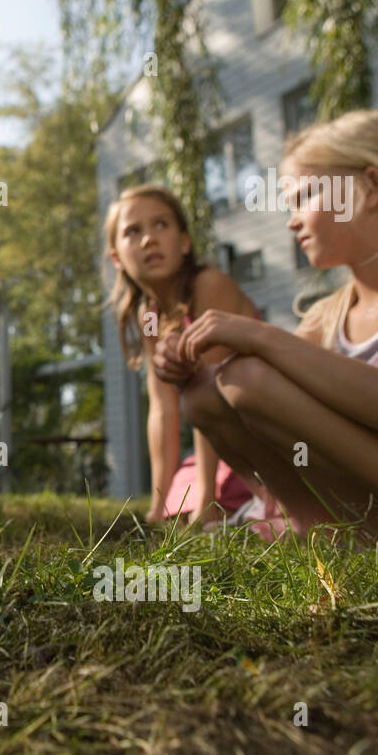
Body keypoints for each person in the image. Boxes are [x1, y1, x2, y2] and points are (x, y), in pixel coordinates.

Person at [158, 107, 378, 560]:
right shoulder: (329, 314)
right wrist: (188, 367)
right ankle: (320, 534)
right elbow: (260, 404)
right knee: (205, 392)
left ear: (373, 187)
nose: (291, 220)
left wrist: (260, 336)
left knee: (248, 379)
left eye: (306, 197)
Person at [104, 184, 259, 525]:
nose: (149, 239)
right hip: (219, 445)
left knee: (199, 504)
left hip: (261, 438)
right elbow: (162, 406)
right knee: (176, 506)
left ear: (185, 242)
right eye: (133, 231)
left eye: (161, 225)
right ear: (116, 256)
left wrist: (207, 497)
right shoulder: (148, 314)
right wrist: (158, 505)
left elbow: (213, 393)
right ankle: (197, 496)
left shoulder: (209, 285)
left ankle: (227, 498)